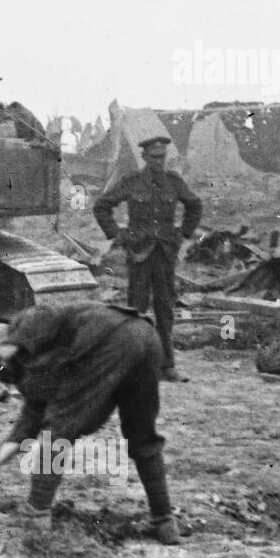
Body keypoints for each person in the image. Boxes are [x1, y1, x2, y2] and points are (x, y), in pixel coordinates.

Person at [0, 301, 181, 544]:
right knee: (142, 436)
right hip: (146, 338)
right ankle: (164, 521)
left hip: (112, 339)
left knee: (57, 433)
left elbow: (44, 314)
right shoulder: (39, 372)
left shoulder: (23, 325)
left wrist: (4, 349)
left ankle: (36, 515)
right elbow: (24, 431)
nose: (0, 377)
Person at [92, 136, 202, 382]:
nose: (158, 162)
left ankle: (167, 366)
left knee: (165, 309)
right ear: (144, 157)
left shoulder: (173, 181)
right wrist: (117, 235)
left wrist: (183, 233)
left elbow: (195, 205)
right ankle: (134, 366)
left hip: (165, 252)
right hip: (139, 252)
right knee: (135, 309)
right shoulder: (131, 182)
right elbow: (101, 206)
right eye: (153, 157)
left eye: (162, 157)